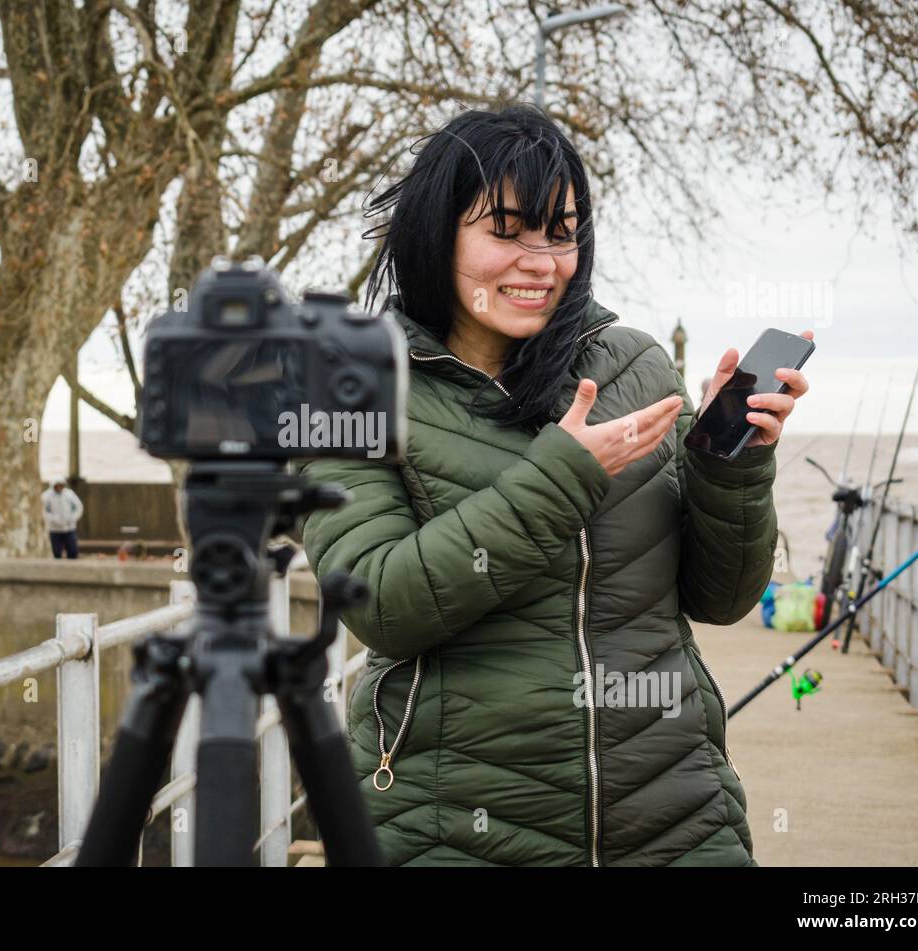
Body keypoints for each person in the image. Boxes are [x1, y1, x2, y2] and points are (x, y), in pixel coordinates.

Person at [293, 104, 812, 866]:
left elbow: (722, 599)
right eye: (506, 231)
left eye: (561, 233)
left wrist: (729, 466)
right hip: (448, 828)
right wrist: (559, 479)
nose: (542, 262)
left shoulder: (634, 367)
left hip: (677, 820)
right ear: (436, 233)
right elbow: (381, 605)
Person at [42, 477, 84, 559]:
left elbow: (78, 507)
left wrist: (73, 518)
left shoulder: (69, 494)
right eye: (56, 486)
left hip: (69, 528)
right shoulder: (46, 496)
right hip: (54, 529)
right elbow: (43, 511)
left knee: (73, 551)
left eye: (60, 485)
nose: (58, 488)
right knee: (56, 552)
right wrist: (53, 519)